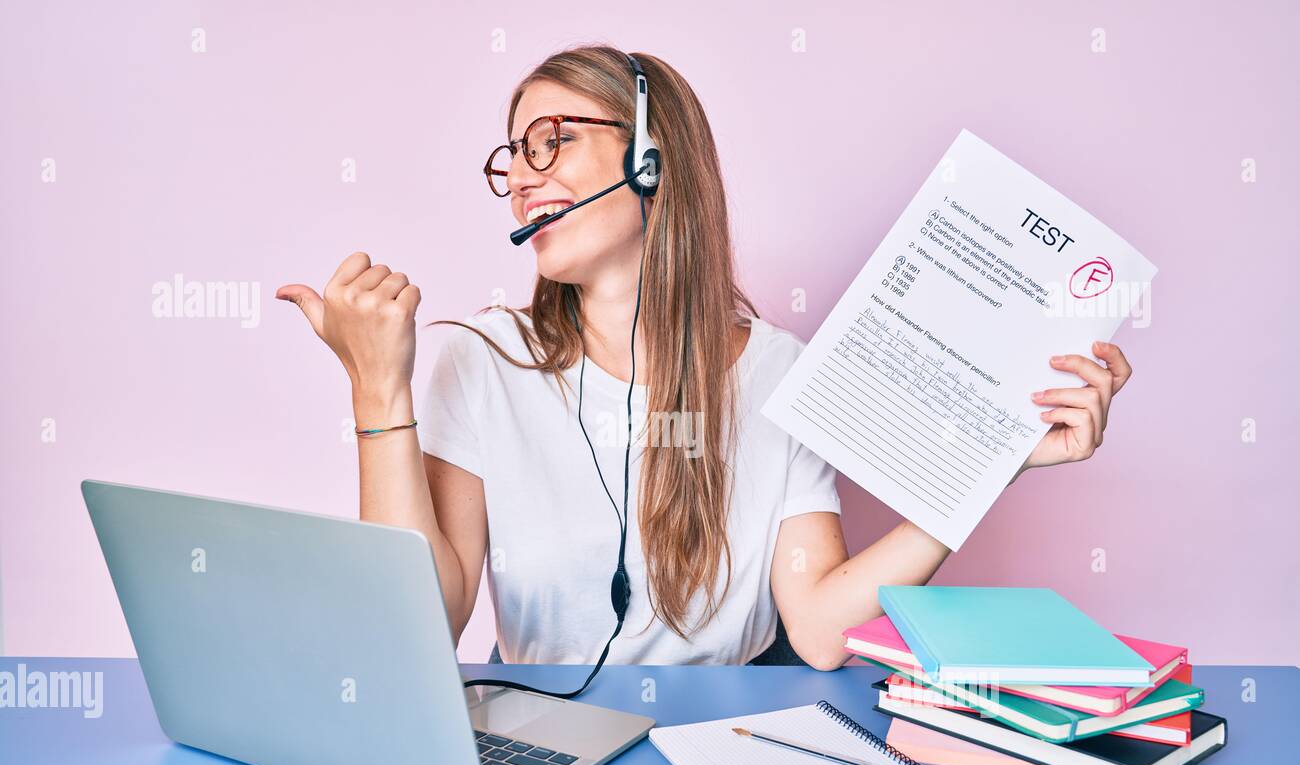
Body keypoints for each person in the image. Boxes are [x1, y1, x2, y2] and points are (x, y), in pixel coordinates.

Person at [275, 46, 1132, 671]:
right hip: (544, 737)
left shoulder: (781, 373)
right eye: (513, 157)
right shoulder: (480, 360)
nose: (525, 177)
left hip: (732, 743)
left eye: (551, 140)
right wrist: (377, 386)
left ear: (651, 160)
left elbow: (824, 631)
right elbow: (418, 631)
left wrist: (989, 467)